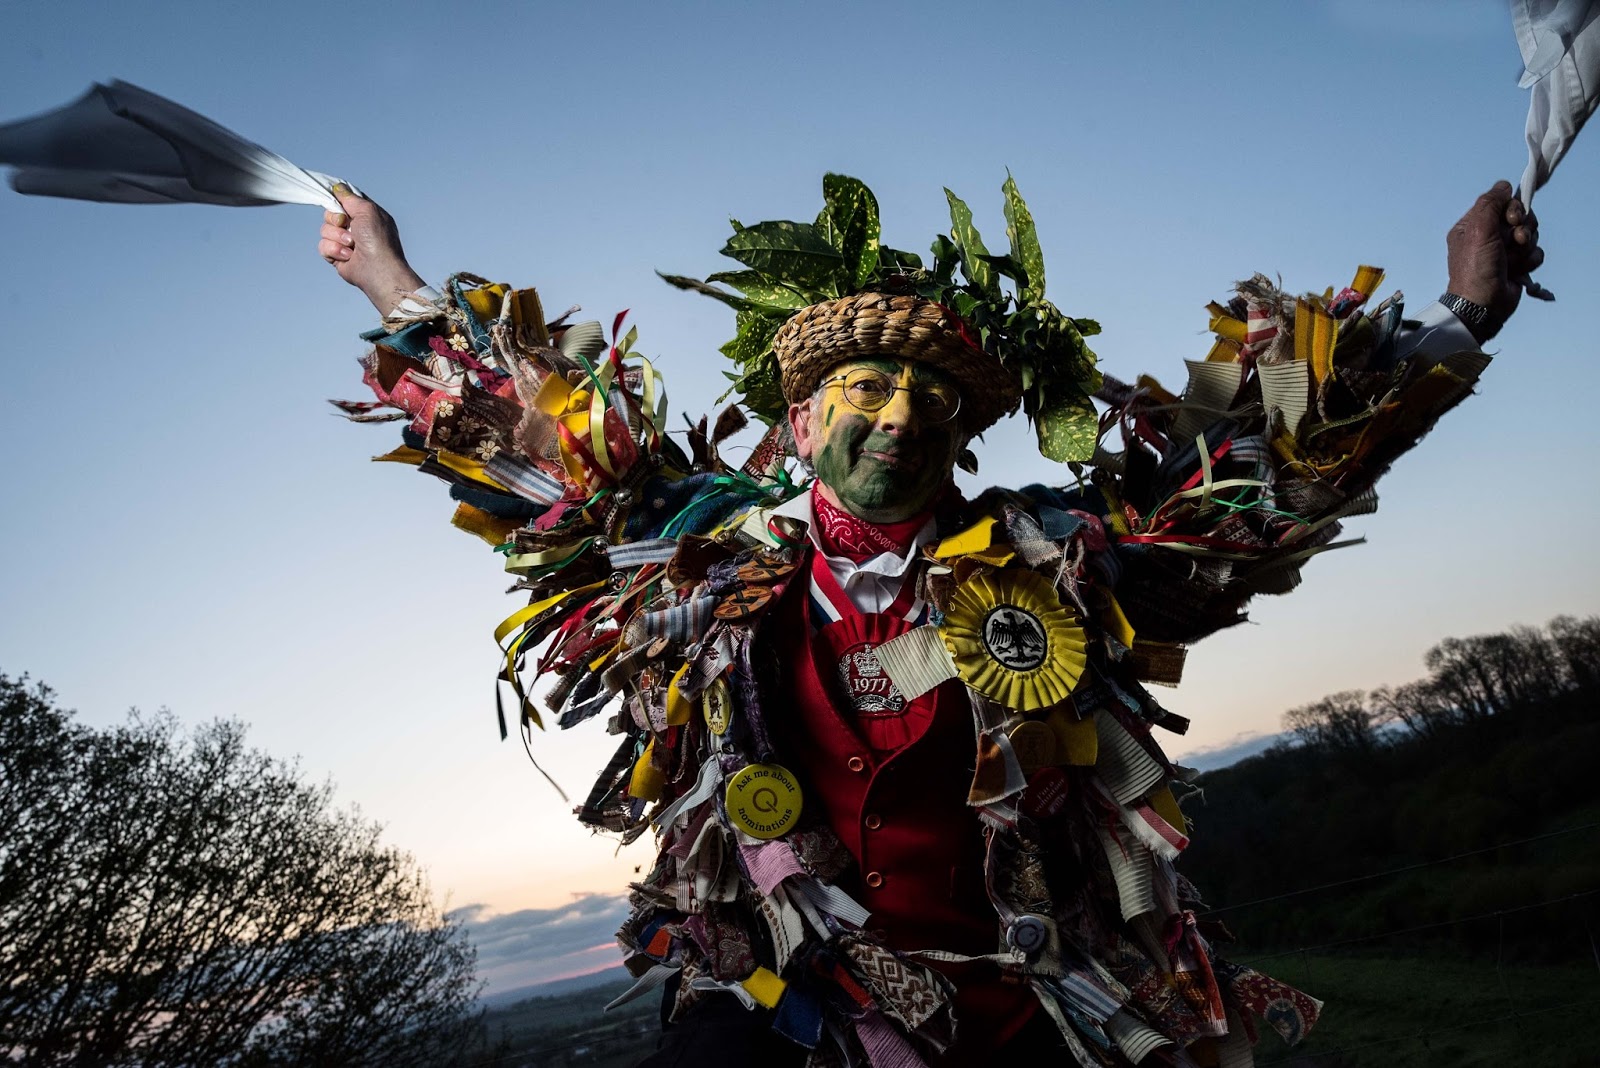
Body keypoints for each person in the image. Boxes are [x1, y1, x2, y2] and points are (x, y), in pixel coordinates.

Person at [317, 177, 1542, 1067]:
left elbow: (1258, 479)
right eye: (866, 386)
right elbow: (541, 441)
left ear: (962, 435)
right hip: (776, 1005)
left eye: (931, 397)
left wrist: (1461, 313)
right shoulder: (693, 562)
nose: (900, 413)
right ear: (800, 424)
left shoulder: (1067, 560)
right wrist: (389, 273)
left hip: (1034, 1012)